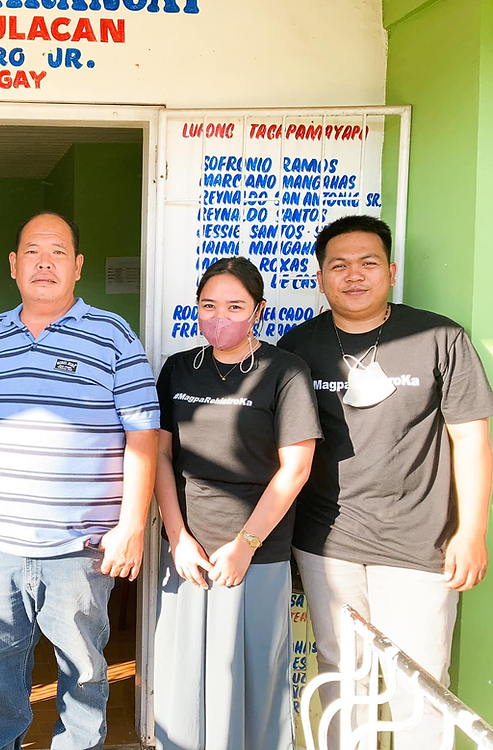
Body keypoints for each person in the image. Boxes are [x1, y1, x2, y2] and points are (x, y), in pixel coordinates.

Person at [278, 215, 493, 749]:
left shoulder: (440, 338)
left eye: (368, 263)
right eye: (339, 265)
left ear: (391, 271)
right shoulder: (299, 346)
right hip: (327, 542)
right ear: (321, 277)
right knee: (339, 672)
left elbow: (471, 440)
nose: (354, 275)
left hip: (420, 543)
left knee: (419, 682)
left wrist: (471, 532)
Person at [0, 212, 160, 750]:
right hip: (0, 542)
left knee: (83, 671)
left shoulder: (114, 336)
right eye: (32, 251)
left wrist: (132, 526)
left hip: (80, 546)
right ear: (13, 264)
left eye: (57, 252)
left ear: (78, 266)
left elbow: (144, 435)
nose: (44, 263)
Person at [152, 258, 321, 750]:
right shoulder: (178, 368)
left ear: (258, 310)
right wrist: (177, 536)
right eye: (208, 305)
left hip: (257, 552)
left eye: (234, 306)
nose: (219, 317)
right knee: (184, 678)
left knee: (251, 678)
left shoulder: (285, 371)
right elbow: (160, 455)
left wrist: (245, 544)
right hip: (186, 551)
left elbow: (296, 468)